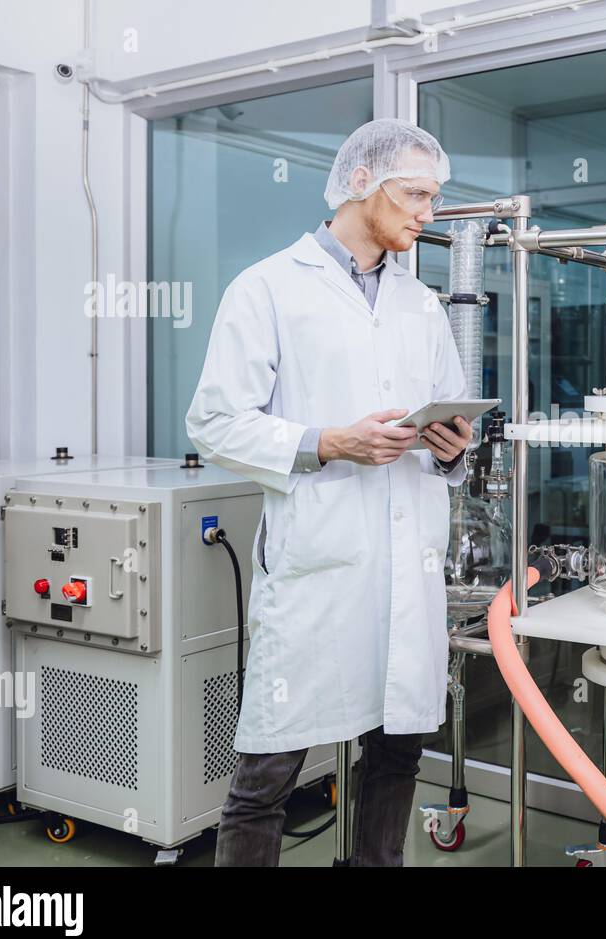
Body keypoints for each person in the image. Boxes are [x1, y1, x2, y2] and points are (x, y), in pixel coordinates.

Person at [186, 119, 473, 866]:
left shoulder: (420, 304)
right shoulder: (268, 288)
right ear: (360, 182)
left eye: (434, 198)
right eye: (416, 195)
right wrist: (328, 442)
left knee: (397, 756)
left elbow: (445, 417)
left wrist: (450, 449)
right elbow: (214, 423)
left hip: (406, 570)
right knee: (267, 777)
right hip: (319, 569)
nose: (429, 213)